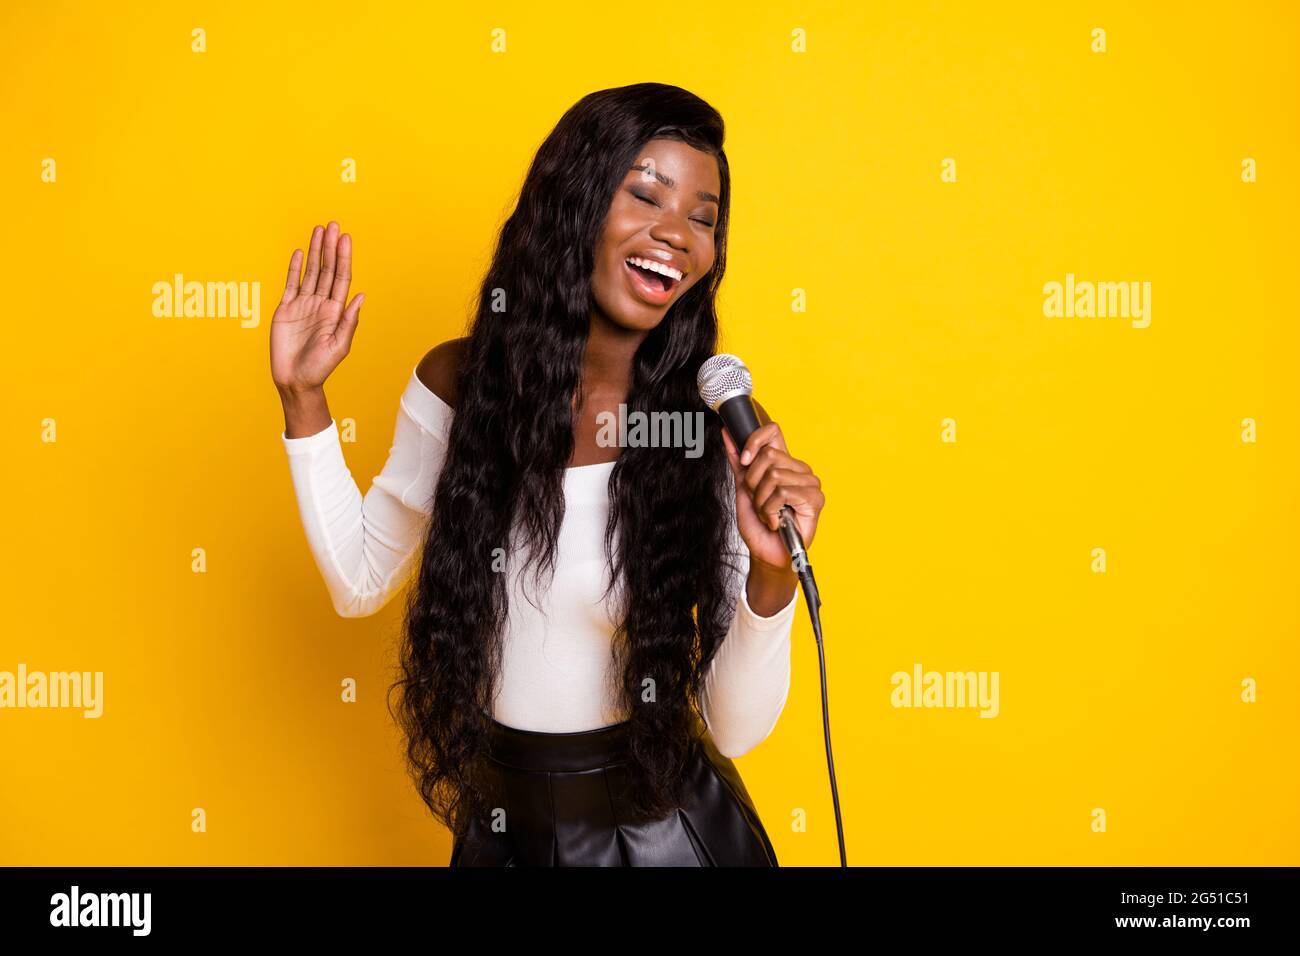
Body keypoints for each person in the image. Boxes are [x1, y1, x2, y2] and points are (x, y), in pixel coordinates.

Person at [271, 83, 825, 866]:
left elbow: (734, 730)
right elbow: (358, 580)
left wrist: (770, 584)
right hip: (507, 835)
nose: (677, 235)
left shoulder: (713, 424)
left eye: (703, 219)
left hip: (669, 837)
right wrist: (304, 399)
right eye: (646, 196)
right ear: (574, 203)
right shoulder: (459, 386)